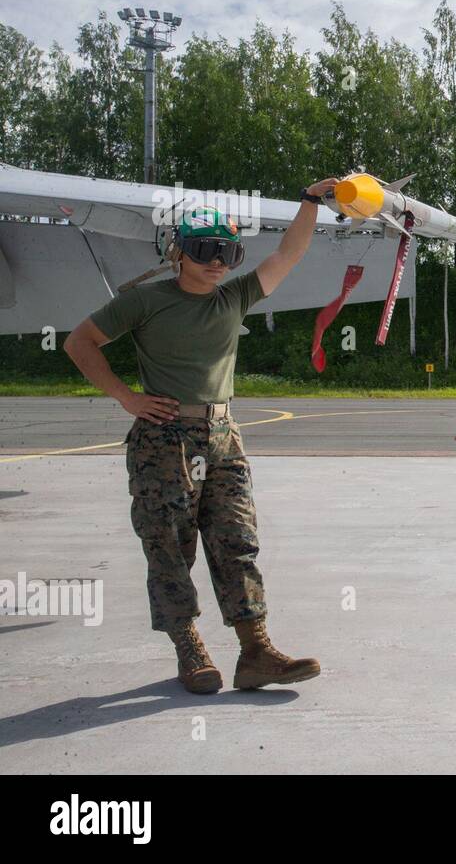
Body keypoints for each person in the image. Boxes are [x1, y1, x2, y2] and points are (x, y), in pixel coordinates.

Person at [63, 181, 338, 693]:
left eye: (228, 252)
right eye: (205, 250)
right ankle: (190, 647)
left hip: (223, 436)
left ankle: (256, 651)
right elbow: (79, 342)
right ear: (180, 251)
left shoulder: (235, 296)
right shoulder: (146, 301)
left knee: (238, 541)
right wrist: (128, 398)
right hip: (164, 440)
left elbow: (290, 251)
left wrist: (310, 199)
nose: (217, 262)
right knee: (169, 545)